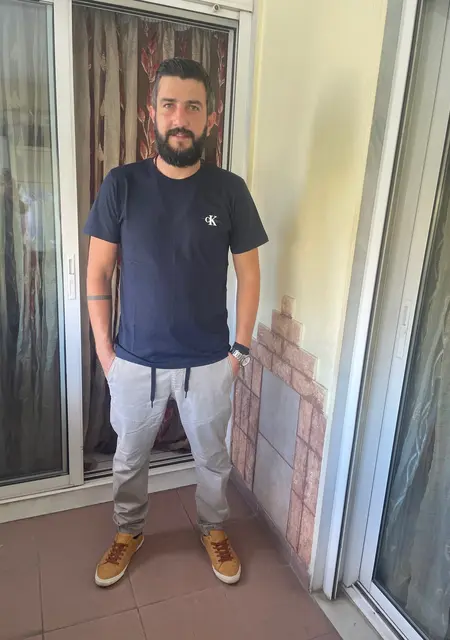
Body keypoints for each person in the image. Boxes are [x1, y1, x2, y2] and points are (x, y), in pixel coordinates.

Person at [84, 57, 268, 588]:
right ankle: (128, 531)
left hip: (209, 362)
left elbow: (249, 275)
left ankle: (213, 528)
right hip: (134, 361)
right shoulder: (122, 184)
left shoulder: (229, 190)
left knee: (212, 460)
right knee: (128, 459)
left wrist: (240, 352)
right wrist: (105, 353)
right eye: (169, 105)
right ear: (152, 113)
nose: (179, 118)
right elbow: (97, 271)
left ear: (210, 117)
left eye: (192, 106)